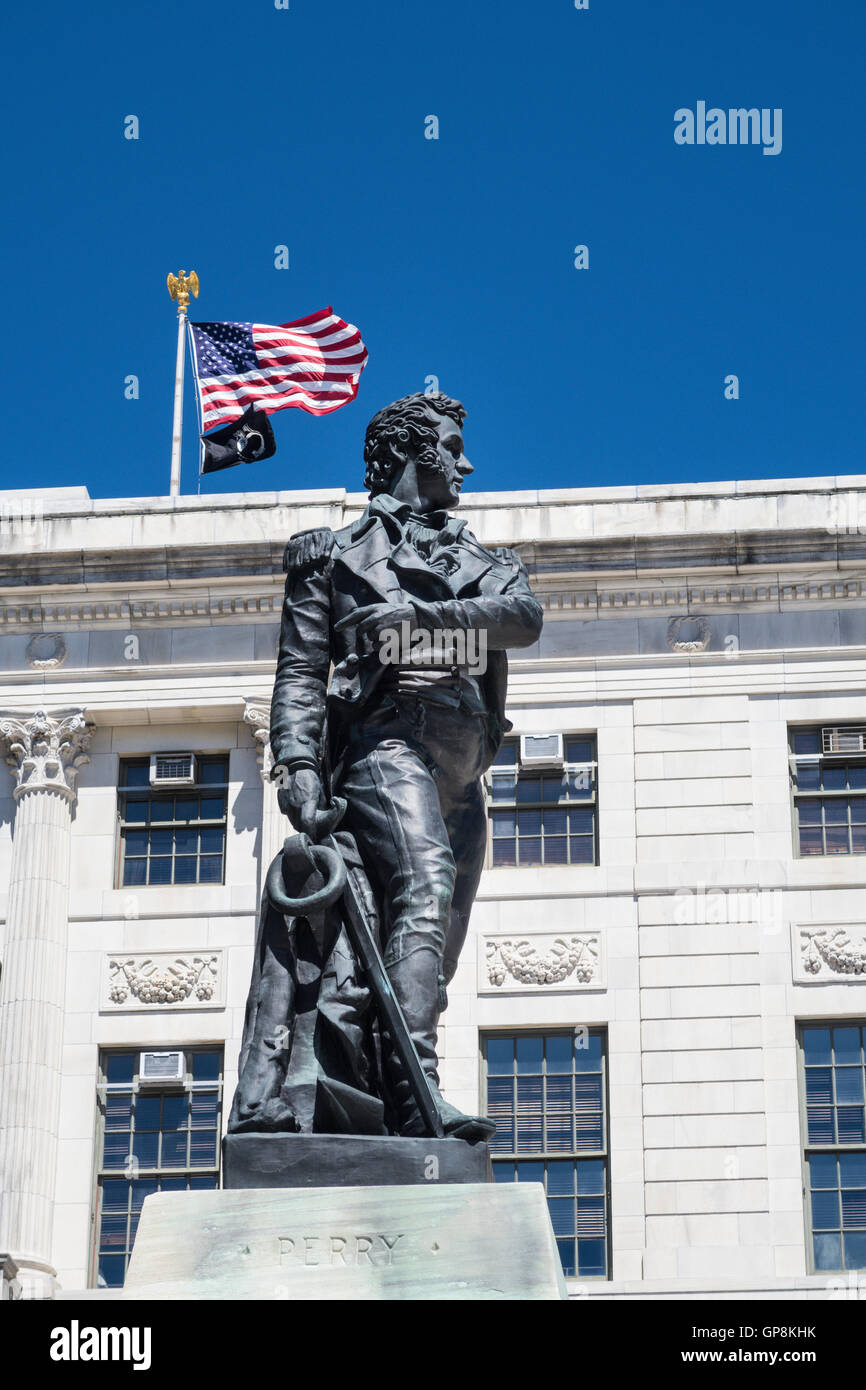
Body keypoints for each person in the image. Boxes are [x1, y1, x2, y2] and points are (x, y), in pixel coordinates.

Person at [270, 392, 543, 1139]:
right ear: (407, 454)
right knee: (423, 889)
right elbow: (301, 671)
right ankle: (418, 1093)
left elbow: (524, 620)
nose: (466, 463)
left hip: (464, 764)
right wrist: (296, 761)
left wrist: (422, 619)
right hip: (387, 744)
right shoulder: (330, 556)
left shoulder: (486, 559)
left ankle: (386, 1086)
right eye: (452, 448)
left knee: (439, 940)